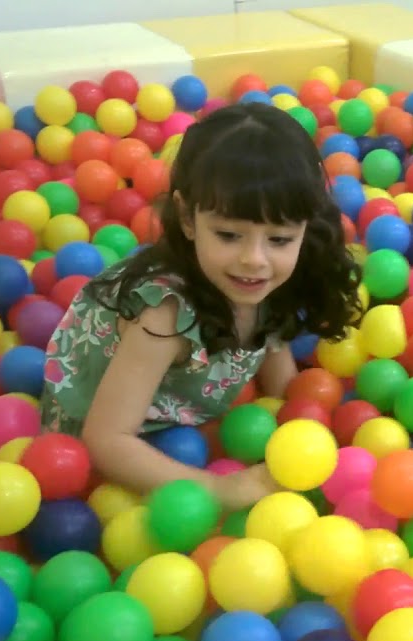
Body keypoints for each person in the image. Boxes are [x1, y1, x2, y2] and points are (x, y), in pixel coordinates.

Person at [40, 102, 363, 510]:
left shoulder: (270, 277)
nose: (254, 259)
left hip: (183, 424)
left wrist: (300, 430)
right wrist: (219, 490)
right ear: (188, 219)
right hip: (103, 423)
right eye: (228, 235)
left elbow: (276, 365)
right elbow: (105, 440)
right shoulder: (164, 315)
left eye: (279, 239)